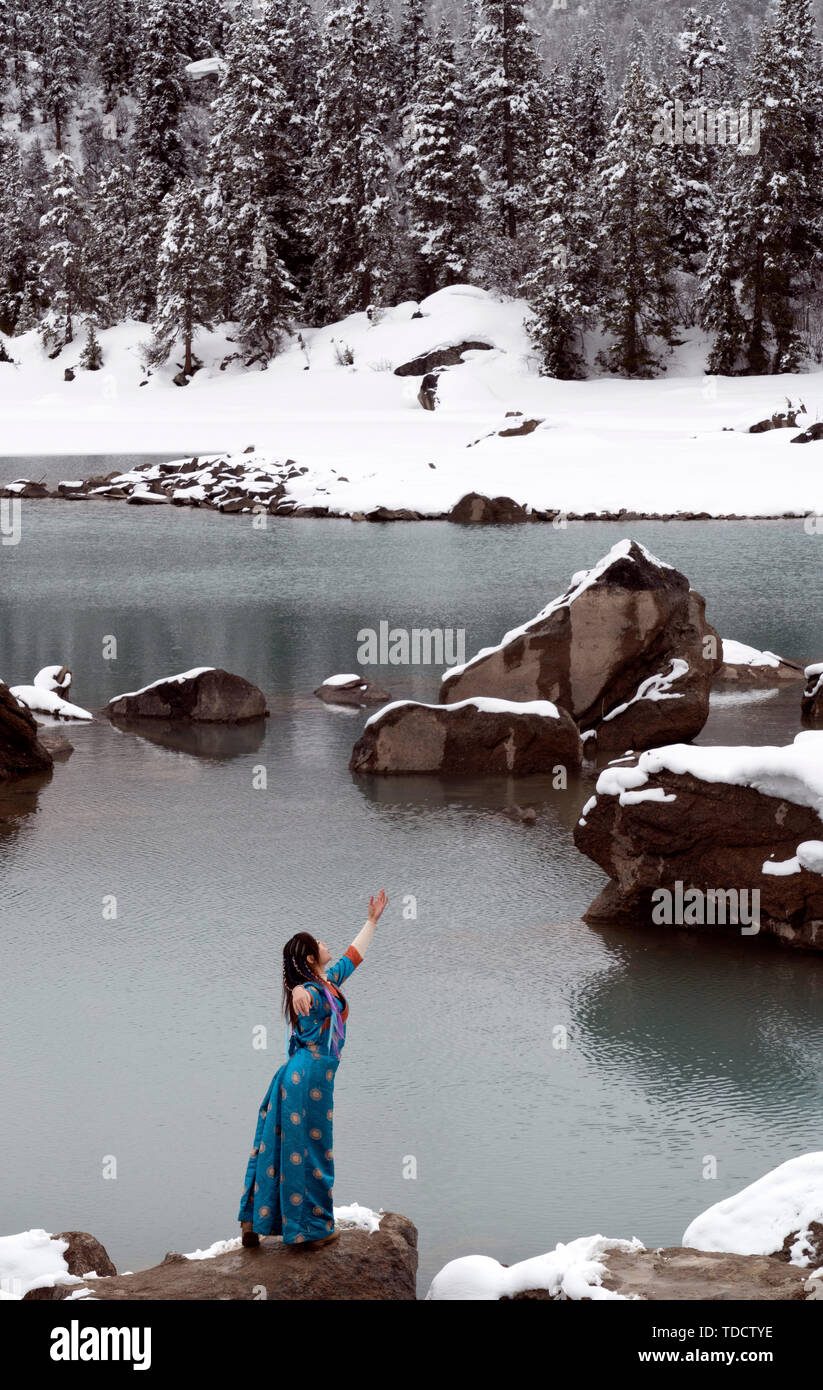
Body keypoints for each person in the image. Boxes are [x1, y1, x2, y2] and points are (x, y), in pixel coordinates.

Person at [237, 890, 388, 1250]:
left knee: (283, 1146)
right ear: (310, 957)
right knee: (311, 1149)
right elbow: (300, 991)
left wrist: (371, 921)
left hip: (302, 1075)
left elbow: (354, 957)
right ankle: (311, 1230)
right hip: (308, 1080)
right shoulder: (310, 991)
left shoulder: (326, 982)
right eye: (318, 942)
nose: (325, 942)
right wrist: (293, 991)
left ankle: (253, 1222)